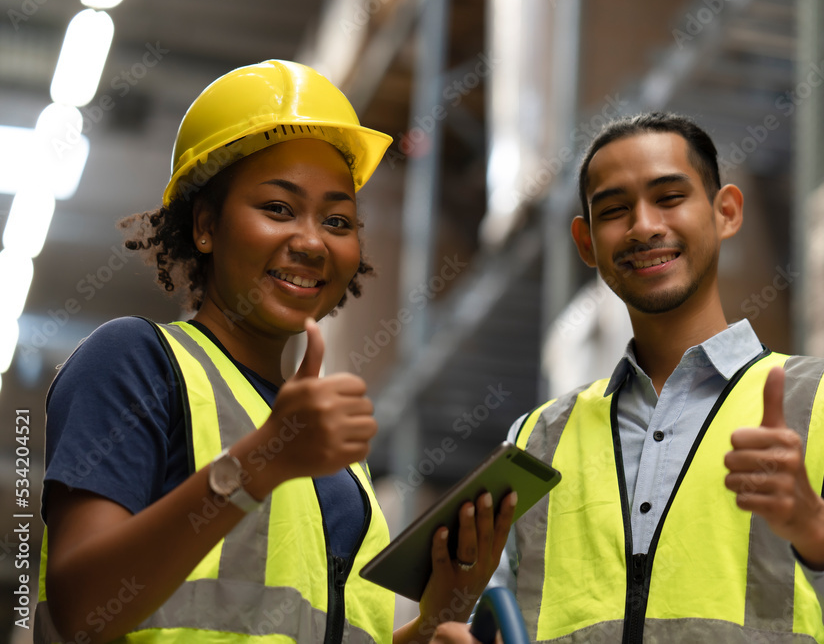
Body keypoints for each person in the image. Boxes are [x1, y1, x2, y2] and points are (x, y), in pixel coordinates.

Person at [35, 59, 514, 644]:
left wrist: (433, 620)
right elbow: (83, 612)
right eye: (278, 209)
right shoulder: (135, 361)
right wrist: (261, 462)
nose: (312, 241)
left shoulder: (338, 463)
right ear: (205, 225)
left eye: (338, 220)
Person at [484, 112, 824, 642]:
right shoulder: (534, 443)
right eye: (614, 210)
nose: (644, 226)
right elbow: (485, 623)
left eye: (670, 198)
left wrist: (819, 532)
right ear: (586, 243)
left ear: (726, 211)